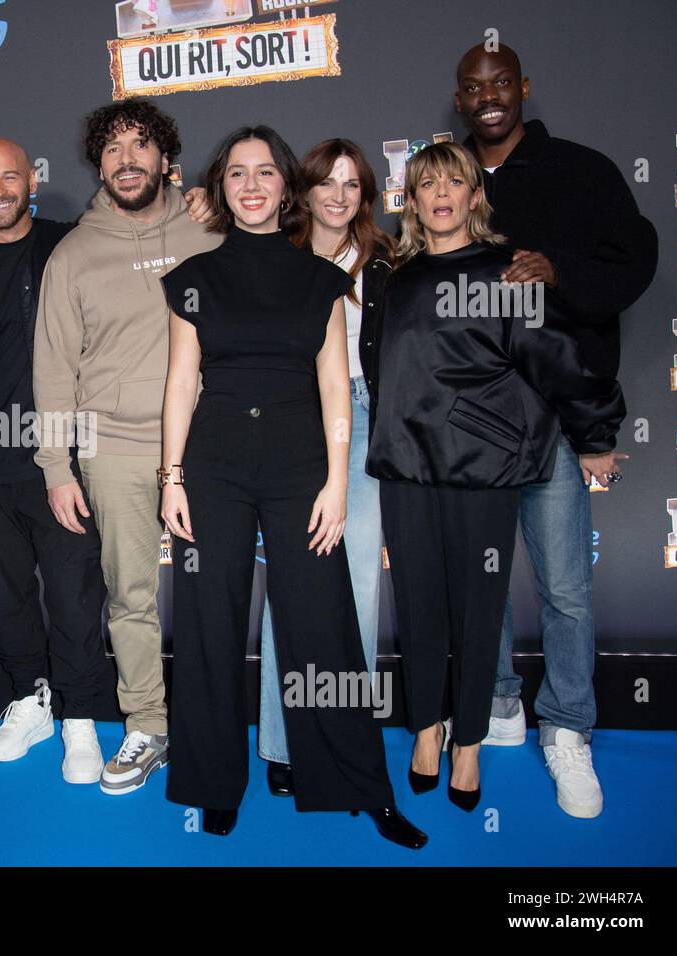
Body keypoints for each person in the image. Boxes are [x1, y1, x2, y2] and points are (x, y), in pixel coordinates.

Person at [159, 126, 424, 848]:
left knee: (325, 625)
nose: (251, 185)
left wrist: (338, 480)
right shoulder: (194, 276)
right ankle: (214, 782)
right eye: (238, 173)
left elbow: (337, 387)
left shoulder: (322, 280)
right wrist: (171, 477)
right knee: (210, 624)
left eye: (266, 172)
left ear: (286, 187)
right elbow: (182, 383)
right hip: (212, 464)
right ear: (223, 188)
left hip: (301, 464)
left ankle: (359, 783)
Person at [365, 142, 626, 815]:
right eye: (429, 184)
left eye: (457, 180)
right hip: (405, 468)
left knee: (479, 612)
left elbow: (558, 358)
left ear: (476, 197)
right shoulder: (396, 275)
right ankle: (426, 727)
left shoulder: (506, 272)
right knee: (418, 604)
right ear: (413, 200)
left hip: (483, 469)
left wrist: (595, 434)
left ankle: (469, 743)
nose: (443, 193)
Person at [453, 43, 656, 818]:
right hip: (473, 428)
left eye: (500, 83)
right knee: (487, 582)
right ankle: (501, 701)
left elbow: (635, 259)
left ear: (523, 88)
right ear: (459, 98)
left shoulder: (582, 169)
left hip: (558, 423)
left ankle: (567, 727)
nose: (488, 97)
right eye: (473, 88)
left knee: (567, 589)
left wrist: (559, 269)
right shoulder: (448, 179)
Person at [33, 97, 221, 795]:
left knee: (218, 590)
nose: (127, 160)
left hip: (210, 447)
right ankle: (149, 722)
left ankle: (211, 719)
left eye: (141, 146)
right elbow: (52, 369)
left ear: (167, 159)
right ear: (99, 164)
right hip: (110, 449)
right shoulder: (74, 254)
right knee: (131, 596)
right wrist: (56, 466)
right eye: (113, 149)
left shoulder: (209, 231)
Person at [0, 138, 109, 783]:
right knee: (8, 597)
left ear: (30, 180)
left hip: (65, 459)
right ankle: (31, 698)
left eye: (10, 176)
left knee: (72, 598)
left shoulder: (75, 245)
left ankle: (81, 717)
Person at [256, 139, 395, 796]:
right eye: (327, 182)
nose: (338, 195)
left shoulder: (389, 259)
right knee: (291, 584)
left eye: (353, 184)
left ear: (365, 195)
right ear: (304, 190)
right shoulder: (276, 257)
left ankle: (344, 739)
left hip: (364, 420)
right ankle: (282, 745)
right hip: (289, 420)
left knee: (358, 585)